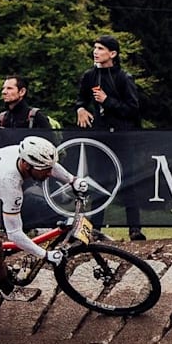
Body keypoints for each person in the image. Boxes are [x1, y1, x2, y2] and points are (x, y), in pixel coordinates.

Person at [0, 136, 91, 299]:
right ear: (26, 165)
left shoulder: (22, 153)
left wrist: (72, 180)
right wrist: (45, 255)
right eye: (45, 170)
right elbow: (14, 233)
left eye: (50, 168)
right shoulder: (10, 184)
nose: (49, 173)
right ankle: (7, 289)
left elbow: (50, 165)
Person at [74, 34, 146, 240]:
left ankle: (135, 229)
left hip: (123, 138)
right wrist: (80, 109)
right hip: (100, 137)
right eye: (95, 48)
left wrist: (107, 101)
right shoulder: (89, 76)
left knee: (128, 181)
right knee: (97, 182)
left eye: (101, 48)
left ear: (112, 53)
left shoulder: (124, 77)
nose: (95, 52)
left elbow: (133, 109)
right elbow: (81, 99)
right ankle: (93, 230)